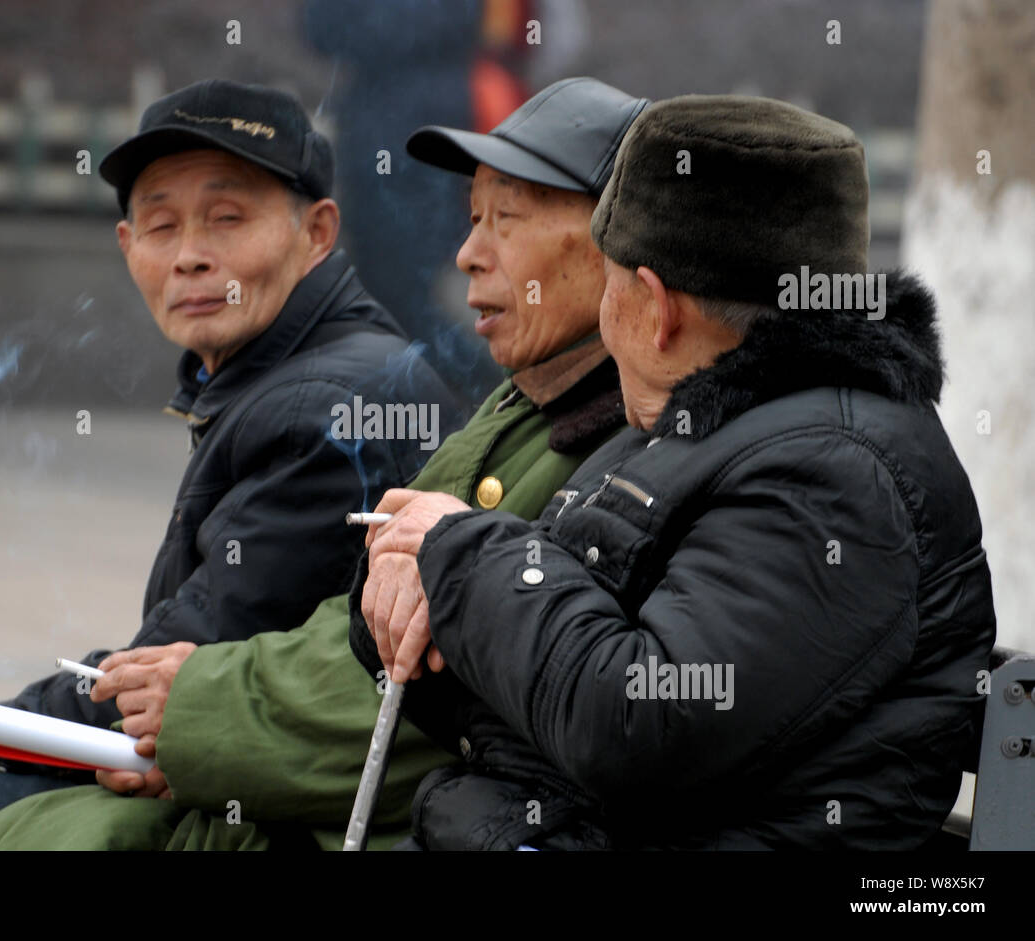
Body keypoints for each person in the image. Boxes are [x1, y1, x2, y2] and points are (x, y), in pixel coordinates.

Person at [0, 78, 650, 850]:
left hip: (375, 811)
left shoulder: (339, 402)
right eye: (159, 225)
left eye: (505, 220)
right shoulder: (522, 402)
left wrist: (175, 718)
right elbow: (350, 626)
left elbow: (438, 689)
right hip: (304, 781)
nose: (468, 255)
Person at [351, 95, 998, 850]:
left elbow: (638, 723)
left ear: (654, 305)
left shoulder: (834, 475)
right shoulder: (699, 422)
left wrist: (459, 556)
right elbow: (544, 685)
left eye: (611, 282)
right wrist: (406, 577)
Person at [0, 79, 461, 850]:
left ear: (317, 233)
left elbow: (202, 646)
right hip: (252, 754)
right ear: (128, 247)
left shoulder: (327, 401)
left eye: (228, 218)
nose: (191, 256)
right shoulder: (280, 372)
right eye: (161, 224)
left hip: (320, 802)